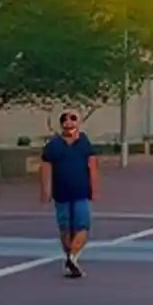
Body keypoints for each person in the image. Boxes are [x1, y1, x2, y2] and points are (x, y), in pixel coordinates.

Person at [40, 109, 98, 279]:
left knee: (82, 226)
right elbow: (46, 169)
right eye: (65, 119)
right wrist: (46, 191)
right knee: (65, 227)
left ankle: (72, 257)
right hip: (61, 193)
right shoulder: (53, 146)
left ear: (78, 122)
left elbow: (92, 166)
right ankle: (71, 258)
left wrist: (95, 189)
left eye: (73, 118)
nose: (69, 122)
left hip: (81, 192)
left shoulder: (85, 143)